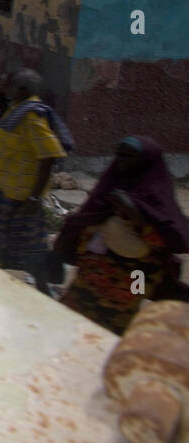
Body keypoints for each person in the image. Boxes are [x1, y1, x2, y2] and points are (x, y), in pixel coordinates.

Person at [51, 137, 189, 333]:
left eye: (130, 156)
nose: (123, 160)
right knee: (74, 321)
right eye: (120, 155)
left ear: (145, 162)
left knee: (116, 322)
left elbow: (171, 239)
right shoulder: (111, 184)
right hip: (94, 272)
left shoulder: (157, 195)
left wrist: (136, 216)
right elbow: (86, 217)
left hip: (135, 275)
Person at [0, 68, 74, 293]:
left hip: (21, 198)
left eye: (12, 85)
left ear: (23, 90)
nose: (7, 89)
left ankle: (41, 290)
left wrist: (34, 197)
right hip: (7, 191)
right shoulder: (16, 111)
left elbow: (48, 156)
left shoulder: (32, 116)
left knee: (28, 250)